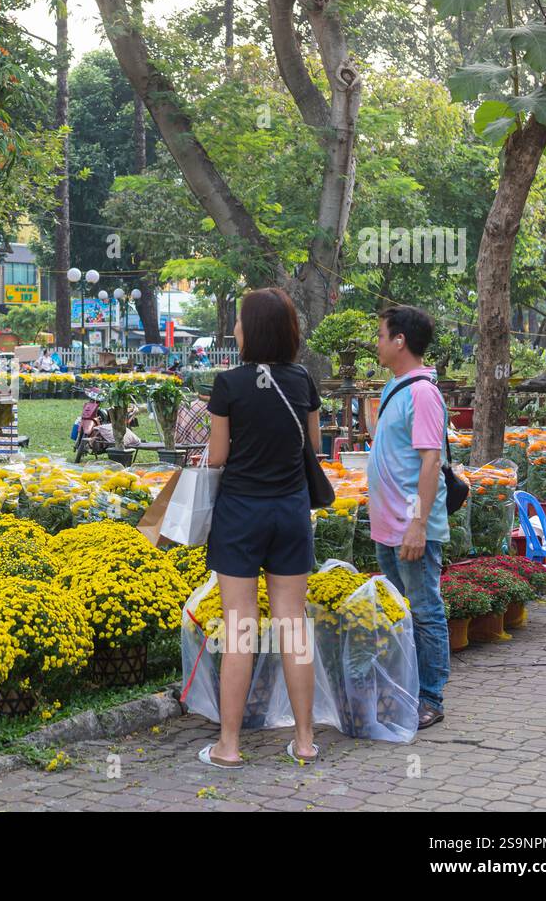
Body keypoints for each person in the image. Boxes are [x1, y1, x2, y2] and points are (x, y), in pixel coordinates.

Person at [199, 287, 320, 769]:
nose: (235, 328)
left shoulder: (228, 383)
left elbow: (219, 457)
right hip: (290, 510)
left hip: (240, 514)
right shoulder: (303, 380)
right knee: (293, 623)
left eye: (240, 321)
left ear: (251, 330)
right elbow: (311, 445)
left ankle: (229, 746)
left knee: (240, 627)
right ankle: (306, 741)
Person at [368, 305, 450, 730]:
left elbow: (430, 461)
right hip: (388, 527)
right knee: (399, 611)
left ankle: (431, 697)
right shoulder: (393, 387)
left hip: (410, 527)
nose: (376, 343)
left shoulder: (423, 392)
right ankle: (406, 688)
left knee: (424, 609)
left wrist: (417, 524)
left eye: (381, 335)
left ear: (400, 340)